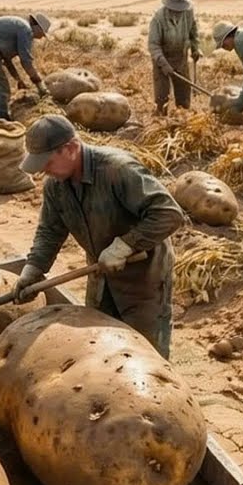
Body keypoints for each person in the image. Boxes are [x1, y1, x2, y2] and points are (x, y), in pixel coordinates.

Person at [13, 115, 185, 358]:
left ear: (71, 148)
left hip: (143, 277)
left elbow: (168, 213)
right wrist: (33, 268)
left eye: (48, 163)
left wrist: (125, 245)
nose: (44, 171)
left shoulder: (118, 169)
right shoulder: (56, 184)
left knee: (146, 353)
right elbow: (50, 231)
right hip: (101, 274)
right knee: (101, 347)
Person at [0, 13, 52, 121]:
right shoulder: (25, 30)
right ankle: (2, 120)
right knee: (1, 85)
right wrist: (39, 83)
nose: (41, 37)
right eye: (42, 34)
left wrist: (18, 79)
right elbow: (26, 61)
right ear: (37, 27)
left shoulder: (19, 26)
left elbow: (7, 61)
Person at [148, 0, 202, 115]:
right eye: (174, 10)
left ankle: (181, 120)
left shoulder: (188, 13)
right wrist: (164, 64)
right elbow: (153, 45)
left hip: (181, 58)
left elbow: (194, 32)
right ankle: (160, 122)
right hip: (162, 59)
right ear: (168, 7)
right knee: (162, 99)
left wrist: (195, 48)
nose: (177, 13)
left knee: (184, 97)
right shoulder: (158, 18)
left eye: (180, 10)